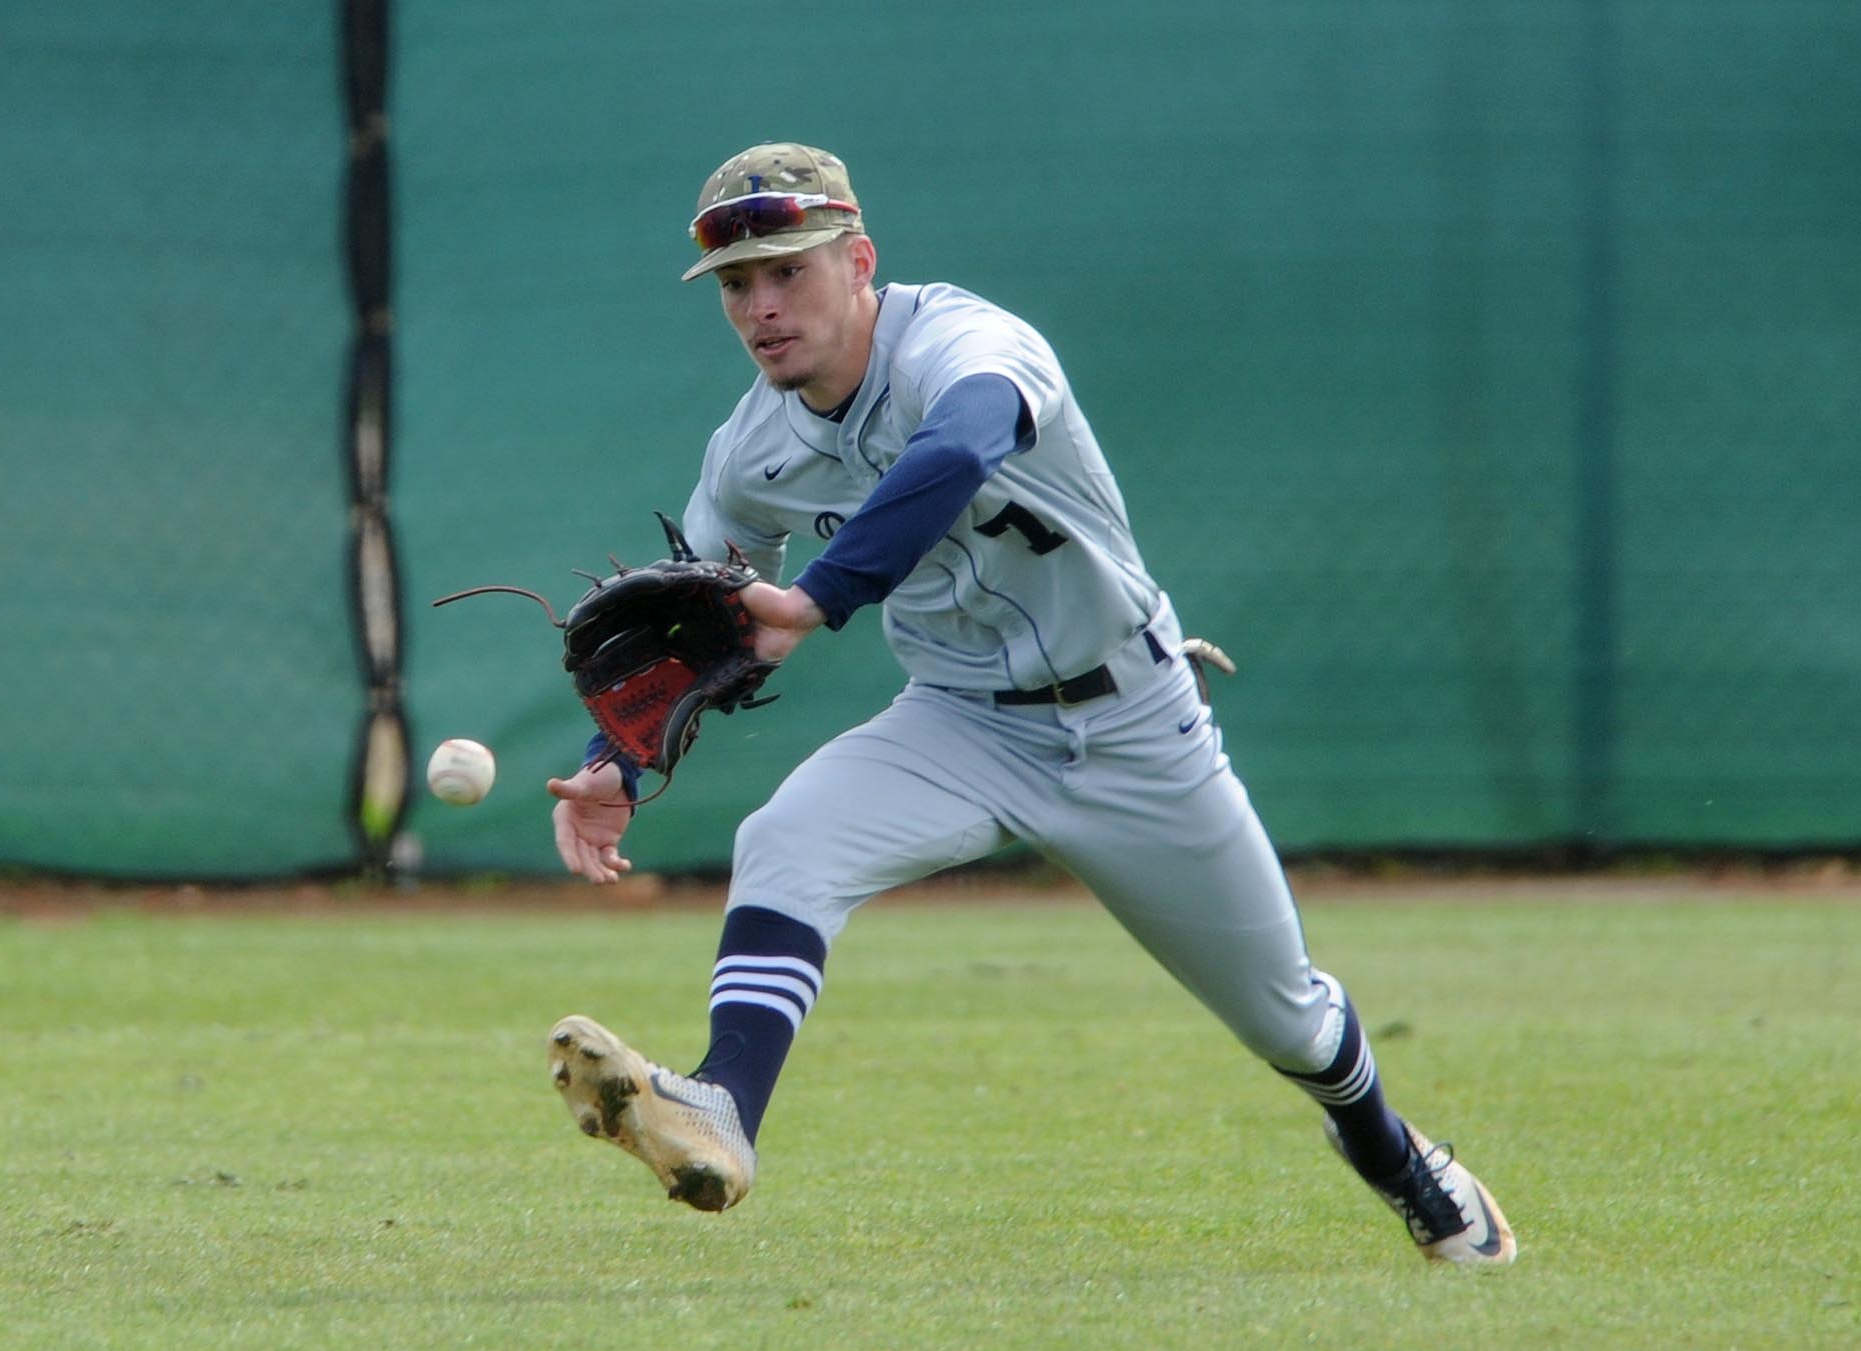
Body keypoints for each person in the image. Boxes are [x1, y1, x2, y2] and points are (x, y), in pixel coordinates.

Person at [542, 142, 1516, 1265]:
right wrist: (613, 756)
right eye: (736, 285)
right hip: (960, 719)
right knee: (786, 840)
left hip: (1134, 722)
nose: (762, 307)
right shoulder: (753, 449)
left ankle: (1396, 1156)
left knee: (1286, 1015)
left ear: (859, 261)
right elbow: (689, 631)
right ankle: (723, 1107)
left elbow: (956, 446)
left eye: (789, 272)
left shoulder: (966, 342)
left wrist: (816, 595)